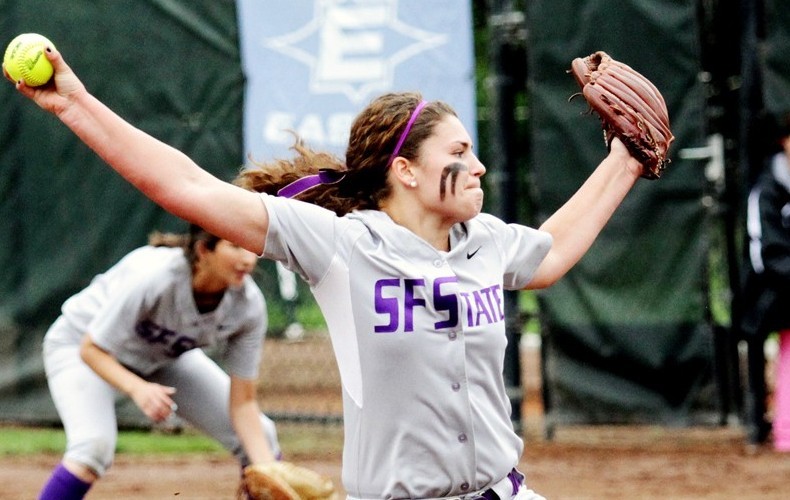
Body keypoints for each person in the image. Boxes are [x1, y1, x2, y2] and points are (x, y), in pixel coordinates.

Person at [7, 46, 647, 499]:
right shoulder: (340, 245)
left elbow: (551, 254)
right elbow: (187, 187)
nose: (477, 166)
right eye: (458, 151)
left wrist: (626, 159)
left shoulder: (485, 242)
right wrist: (75, 105)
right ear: (405, 170)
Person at [37, 224, 281, 499]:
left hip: (160, 355)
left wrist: (270, 472)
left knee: (262, 438)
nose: (248, 259)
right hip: (80, 344)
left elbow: (244, 404)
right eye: (235, 246)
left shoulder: (248, 306)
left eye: (250, 247)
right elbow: (91, 349)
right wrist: (138, 388)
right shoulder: (157, 276)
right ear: (204, 250)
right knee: (92, 447)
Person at [741, 117, 790, 451]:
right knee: (755, 332)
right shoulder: (767, 189)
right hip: (769, 289)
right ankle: (759, 422)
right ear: (783, 142)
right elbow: (766, 254)